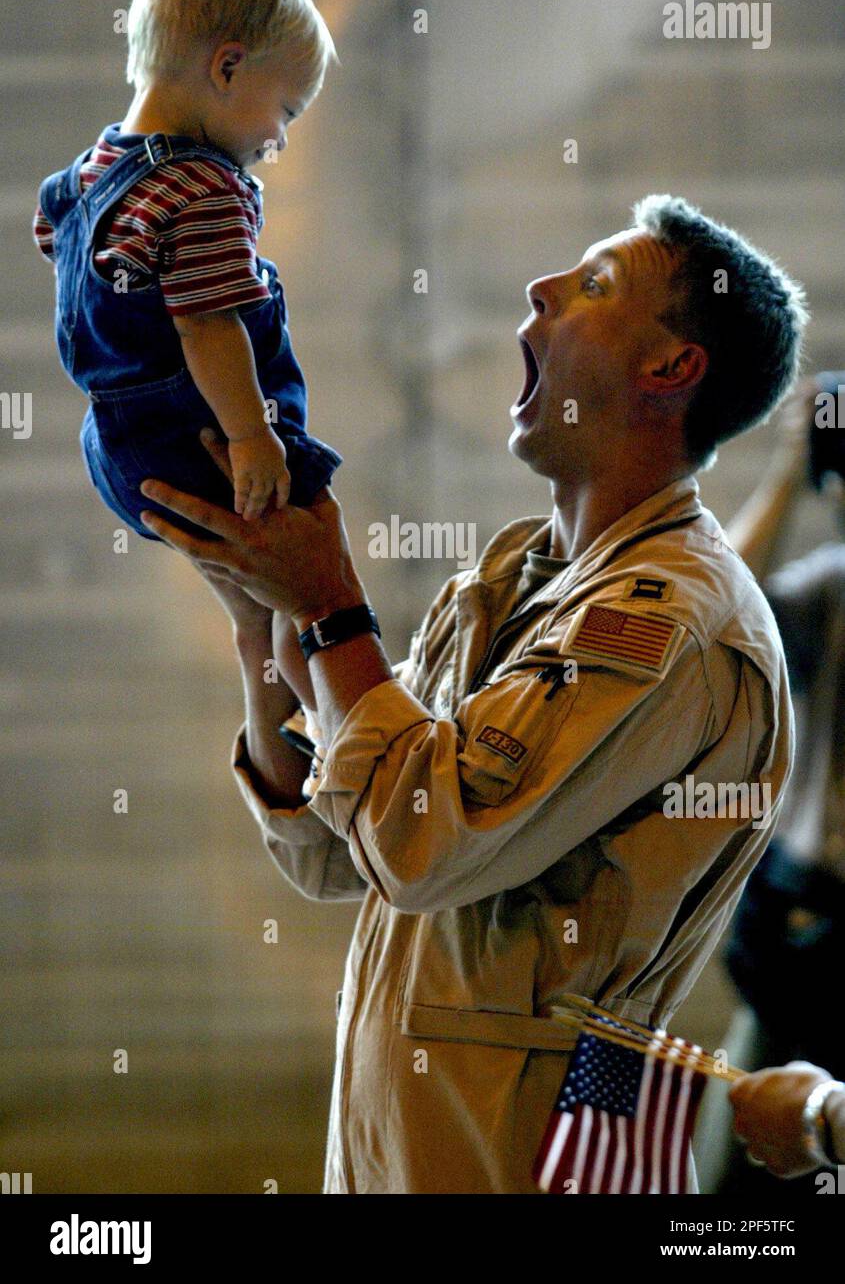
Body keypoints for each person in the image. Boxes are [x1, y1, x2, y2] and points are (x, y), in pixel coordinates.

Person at [141, 195, 806, 1194]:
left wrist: (330, 606)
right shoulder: (511, 582)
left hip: (513, 1160)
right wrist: (260, 629)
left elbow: (420, 839)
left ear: (670, 370)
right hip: (399, 1149)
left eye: (593, 286)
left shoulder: (664, 620)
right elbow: (337, 846)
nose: (538, 290)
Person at [33, 0, 341, 711]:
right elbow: (207, 324)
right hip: (204, 436)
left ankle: (276, 721)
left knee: (253, 609)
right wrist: (252, 439)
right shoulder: (202, 191)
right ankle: (346, 735)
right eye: (284, 110)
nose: (276, 139)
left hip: (121, 452)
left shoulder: (87, 174)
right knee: (309, 590)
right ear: (228, 66)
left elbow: (53, 238)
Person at [718, 377, 845, 1191]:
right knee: (741, 1167)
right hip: (813, 916)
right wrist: (792, 466)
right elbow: (716, 612)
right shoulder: (831, 586)